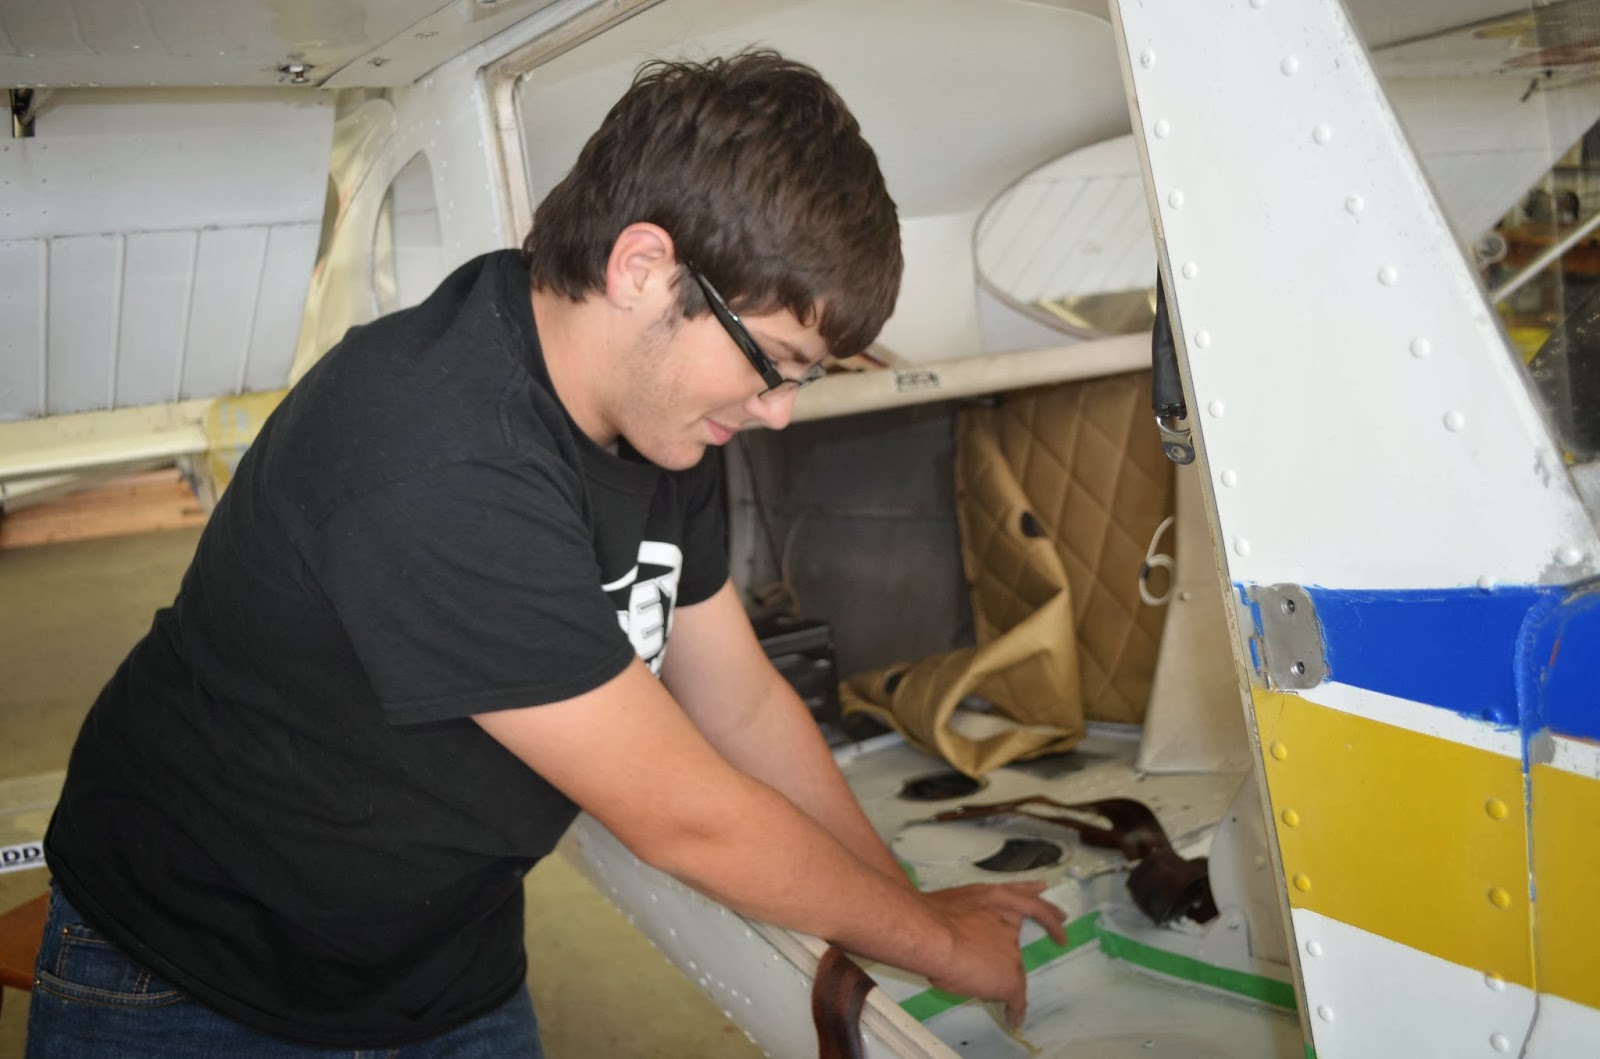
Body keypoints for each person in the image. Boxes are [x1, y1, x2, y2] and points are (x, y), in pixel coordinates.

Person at [30, 49, 1065, 1057]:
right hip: (192, 977)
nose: (778, 414)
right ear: (643, 268)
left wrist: (896, 900)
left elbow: (737, 698)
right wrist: (943, 950)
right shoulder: (437, 449)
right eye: (773, 366)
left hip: (440, 962)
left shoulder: (658, 413)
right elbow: (683, 820)